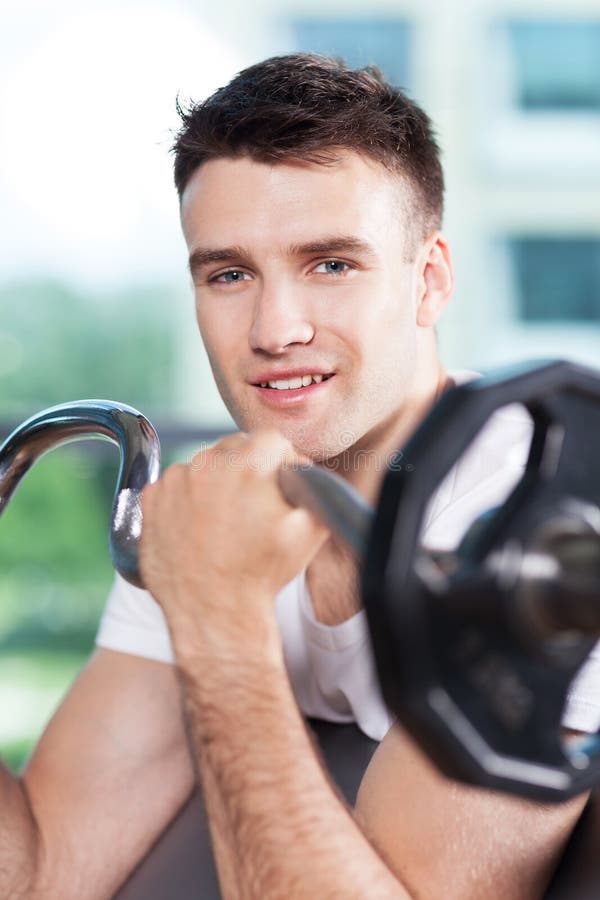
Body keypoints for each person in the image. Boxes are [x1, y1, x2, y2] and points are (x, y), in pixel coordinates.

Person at [2, 52, 599, 899]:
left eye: (331, 264)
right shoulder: (212, 510)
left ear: (428, 280)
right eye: (230, 274)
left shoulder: (539, 542)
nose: (276, 329)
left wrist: (220, 620)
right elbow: (40, 876)